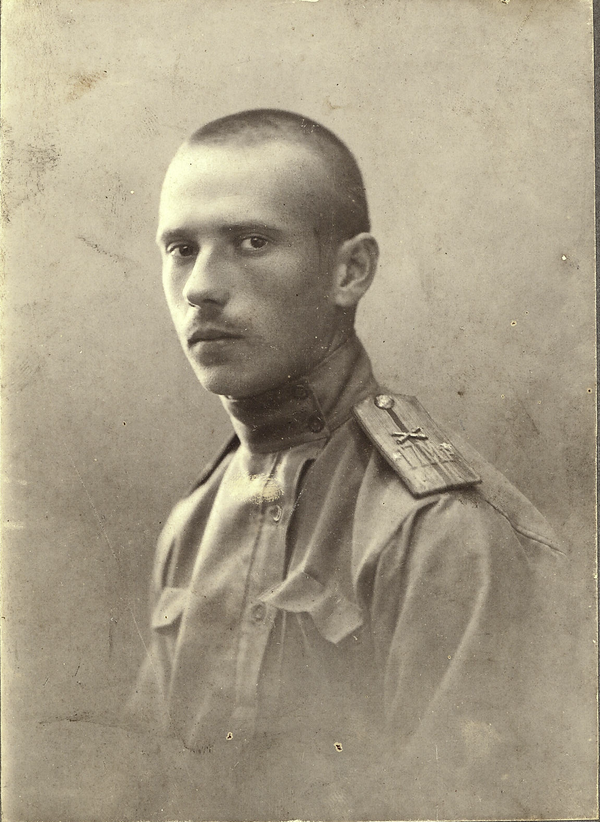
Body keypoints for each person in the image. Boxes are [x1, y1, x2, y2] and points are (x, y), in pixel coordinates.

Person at [126, 109, 573, 821]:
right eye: (181, 248)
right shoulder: (194, 522)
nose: (200, 285)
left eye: (251, 242)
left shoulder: (440, 529)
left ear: (350, 271)